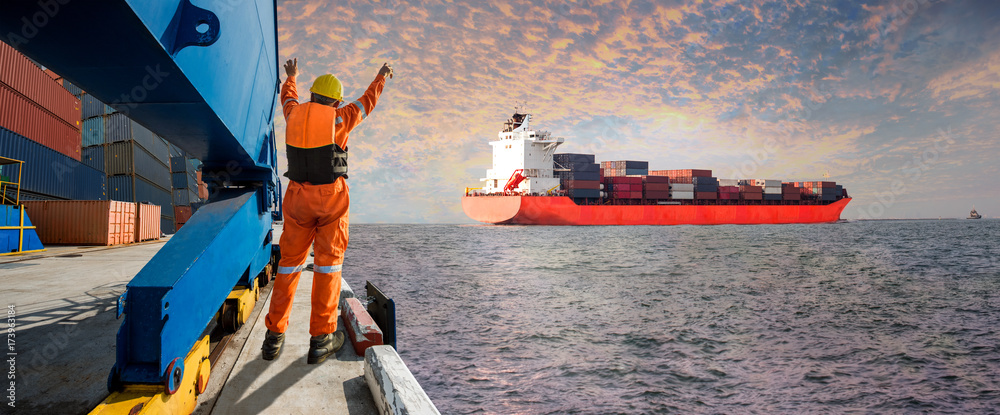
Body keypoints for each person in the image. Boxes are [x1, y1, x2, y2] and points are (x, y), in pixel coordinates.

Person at [262, 58, 393, 364]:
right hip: (330, 198)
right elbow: (367, 102)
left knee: (288, 266)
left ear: (312, 95)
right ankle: (321, 339)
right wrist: (381, 76)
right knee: (328, 265)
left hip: (295, 197)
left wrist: (291, 75)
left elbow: (288, 96)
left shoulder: (293, 112)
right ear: (335, 100)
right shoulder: (341, 117)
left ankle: (273, 337)